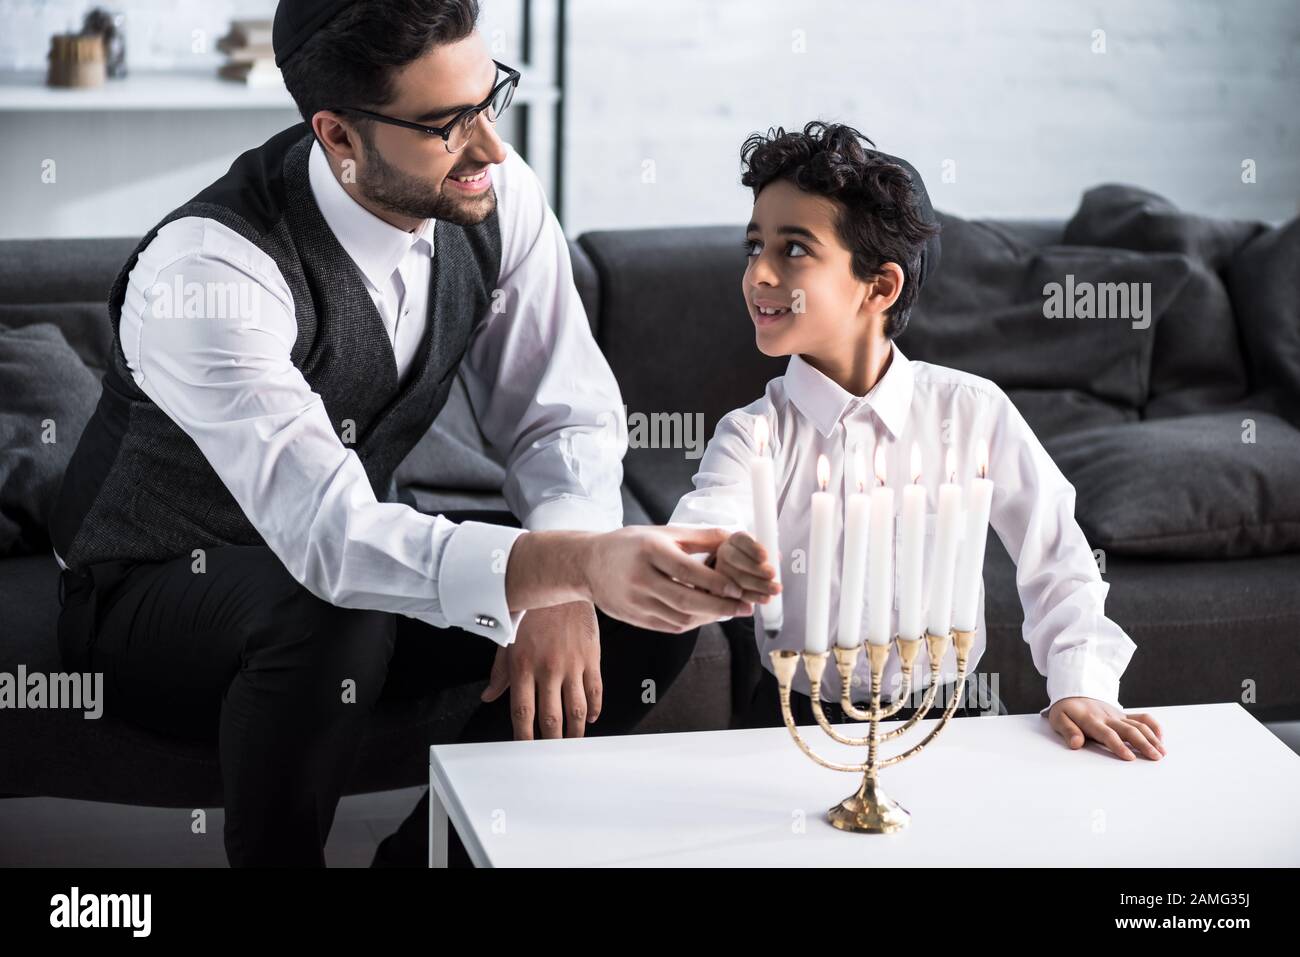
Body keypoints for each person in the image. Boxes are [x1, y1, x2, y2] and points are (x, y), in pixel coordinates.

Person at [50, 0, 750, 867]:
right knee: (333, 608)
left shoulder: (495, 192)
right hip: (154, 593)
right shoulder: (211, 272)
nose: (491, 147)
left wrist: (573, 568)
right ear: (339, 136)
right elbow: (334, 542)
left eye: (489, 99)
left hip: (341, 581)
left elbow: (558, 411)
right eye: (444, 126)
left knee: (649, 606)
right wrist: (562, 567)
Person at [669, 121, 1167, 761]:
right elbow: (697, 538)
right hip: (788, 724)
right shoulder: (753, 434)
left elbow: (1058, 557)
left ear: (880, 286)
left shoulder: (973, 412)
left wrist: (1081, 684)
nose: (757, 273)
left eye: (793, 249)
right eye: (753, 246)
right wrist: (716, 562)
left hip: (948, 719)